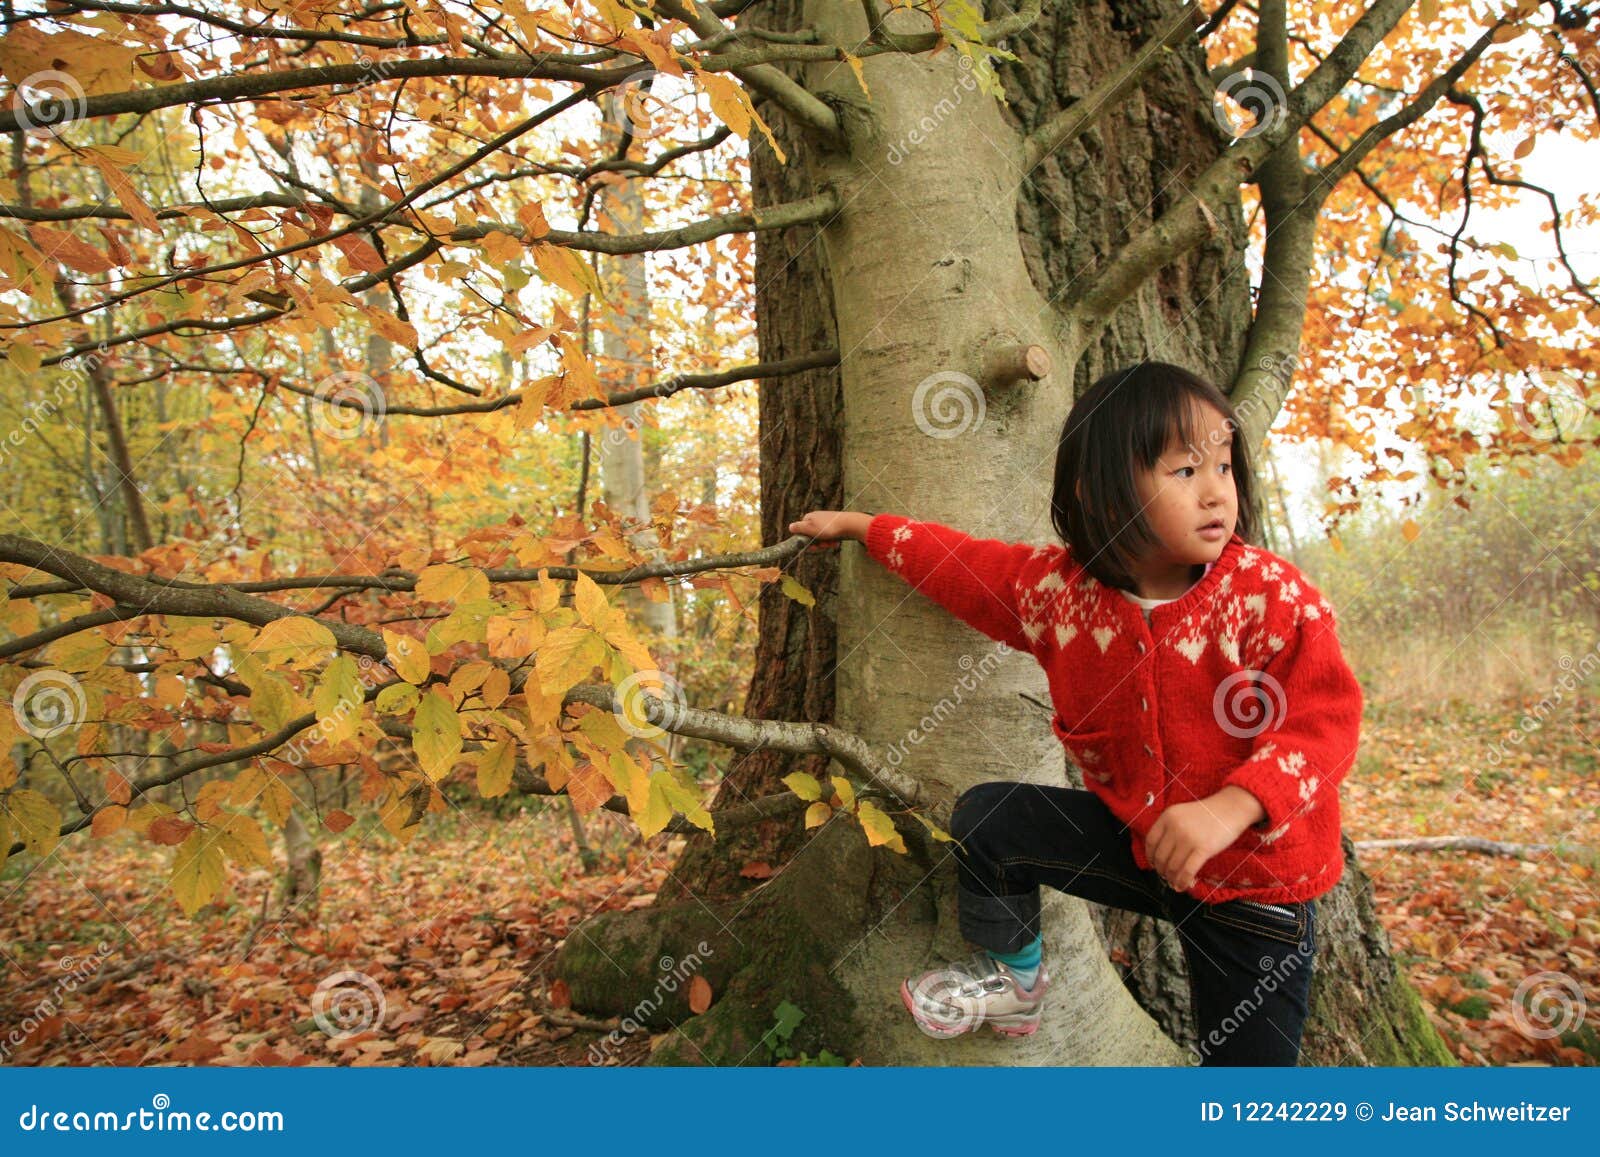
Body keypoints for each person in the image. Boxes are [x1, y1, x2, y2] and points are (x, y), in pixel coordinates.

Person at [786, 361, 1363, 1066]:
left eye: (1223, 465)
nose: (1216, 491)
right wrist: (863, 527)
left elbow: (1325, 723)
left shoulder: (1265, 595)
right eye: (1185, 471)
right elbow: (968, 569)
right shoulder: (1062, 596)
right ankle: (1017, 980)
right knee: (989, 819)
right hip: (1142, 849)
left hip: (1256, 894)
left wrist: (1230, 807)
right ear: (1101, 493)